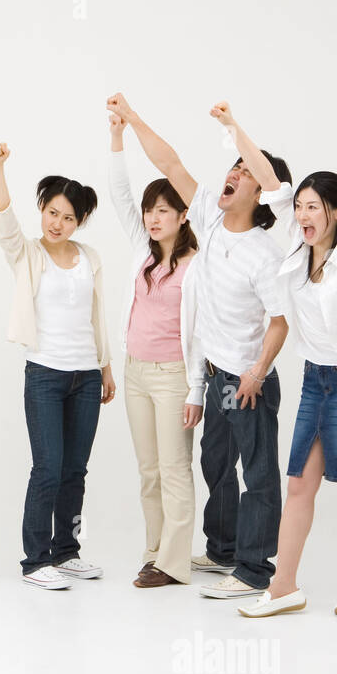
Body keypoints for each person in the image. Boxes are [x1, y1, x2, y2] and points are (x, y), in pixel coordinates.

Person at [106, 93, 292, 600]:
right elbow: (168, 161)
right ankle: (225, 547)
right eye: (232, 165)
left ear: (260, 189)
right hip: (213, 376)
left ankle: (254, 571)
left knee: (257, 475)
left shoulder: (264, 253)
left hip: (246, 381)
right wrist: (133, 119)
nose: (233, 172)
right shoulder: (208, 217)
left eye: (244, 170)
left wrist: (255, 373)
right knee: (214, 463)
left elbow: (279, 324)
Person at [214, 146, 337, 617]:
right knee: (298, 487)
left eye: (314, 207)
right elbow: (271, 182)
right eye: (301, 206)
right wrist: (234, 129)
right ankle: (284, 585)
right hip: (316, 381)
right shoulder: (296, 242)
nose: (303, 213)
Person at [0, 142, 114, 590]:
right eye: (52, 212)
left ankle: (67, 551)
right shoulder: (28, 254)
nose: (58, 223)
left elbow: (97, 316)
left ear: (79, 222)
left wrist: (106, 367)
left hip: (86, 376)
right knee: (48, 468)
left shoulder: (90, 259)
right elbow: (4, 221)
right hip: (44, 373)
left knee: (75, 471)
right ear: (41, 209)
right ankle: (35, 560)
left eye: (68, 217)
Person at [107, 112, 200, 590]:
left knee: (174, 468)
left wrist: (197, 391)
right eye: (150, 211)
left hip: (173, 376)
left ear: (184, 215)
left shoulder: (196, 266)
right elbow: (119, 194)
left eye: (165, 210)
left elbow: (200, 335)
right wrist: (116, 138)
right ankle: (154, 552)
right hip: (136, 373)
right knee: (148, 470)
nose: (154, 218)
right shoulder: (142, 255)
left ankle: (175, 563)